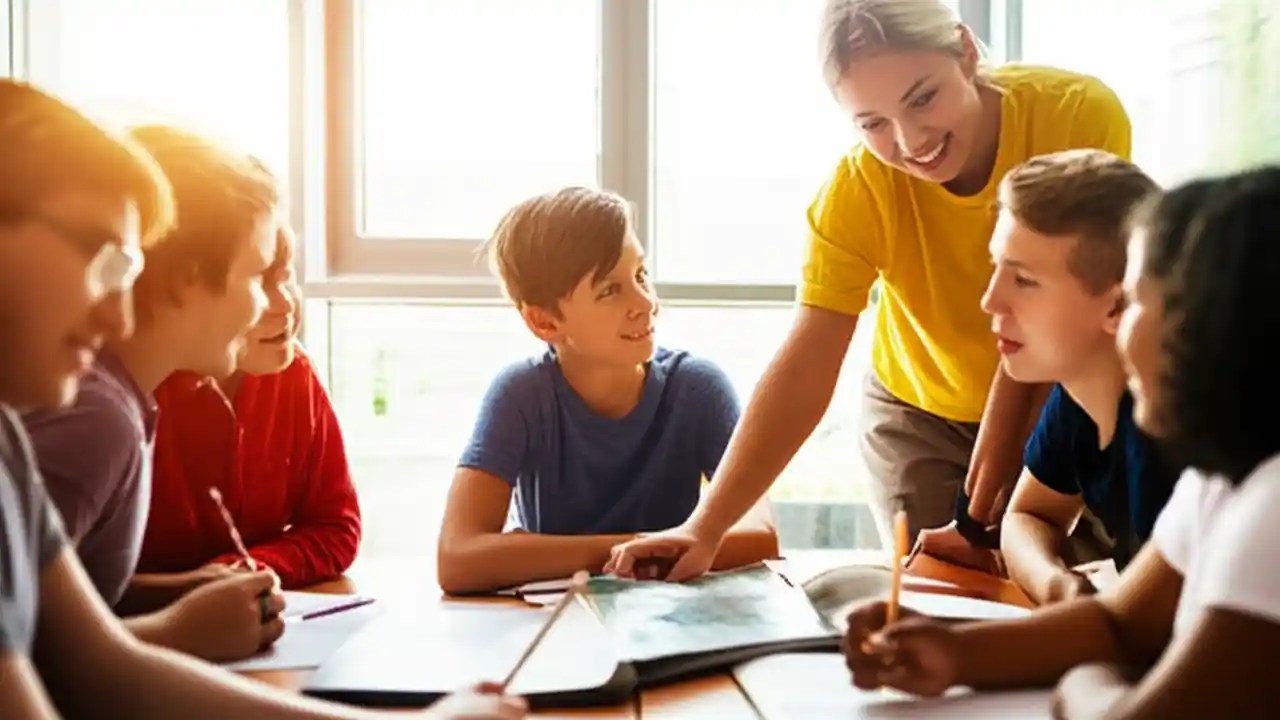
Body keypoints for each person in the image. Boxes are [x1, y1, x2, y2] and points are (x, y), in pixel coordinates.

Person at [0, 78, 523, 719]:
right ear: (190, 276)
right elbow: (77, 672)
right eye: (257, 274)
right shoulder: (97, 419)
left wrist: (171, 597)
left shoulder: (14, 446)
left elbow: (91, 656)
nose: (117, 311)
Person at [607, 0, 1130, 580]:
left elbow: (1059, 312)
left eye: (923, 97)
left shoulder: (1076, 114)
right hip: (918, 414)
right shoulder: (854, 197)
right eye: (872, 123)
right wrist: (703, 527)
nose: (912, 140)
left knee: (1066, 584)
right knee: (946, 593)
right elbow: (807, 364)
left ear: (965, 50)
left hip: (1056, 386)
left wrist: (980, 515)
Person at [843, 166, 1280, 720]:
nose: (1128, 334)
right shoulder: (1218, 480)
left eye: (1140, 302)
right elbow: (1120, 624)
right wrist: (951, 652)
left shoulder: (1272, 503)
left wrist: (1082, 680)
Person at [437, 186, 776, 595]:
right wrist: (636, 548)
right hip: (557, 619)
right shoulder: (521, 396)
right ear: (545, 323)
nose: (646, 301)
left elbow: (760, 534)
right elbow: (457, 558)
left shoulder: (697, 388)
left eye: (640, 274)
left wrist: (528, 551)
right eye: (610, 290)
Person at [979, 149, 1178, 605]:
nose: (990, 301)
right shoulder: (1078, 391)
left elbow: (1145, 629)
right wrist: (1057, 584)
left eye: (1023, 280)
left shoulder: (1175, 438)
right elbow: (1028, 516)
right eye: (996, 269)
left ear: (1117, 306)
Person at [136, 222, 361, 592]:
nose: (286, 304)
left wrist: (242, 571)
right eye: (259, 283)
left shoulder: (293, 374)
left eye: (287, 279)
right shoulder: (136, 392)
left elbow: (336, 526)